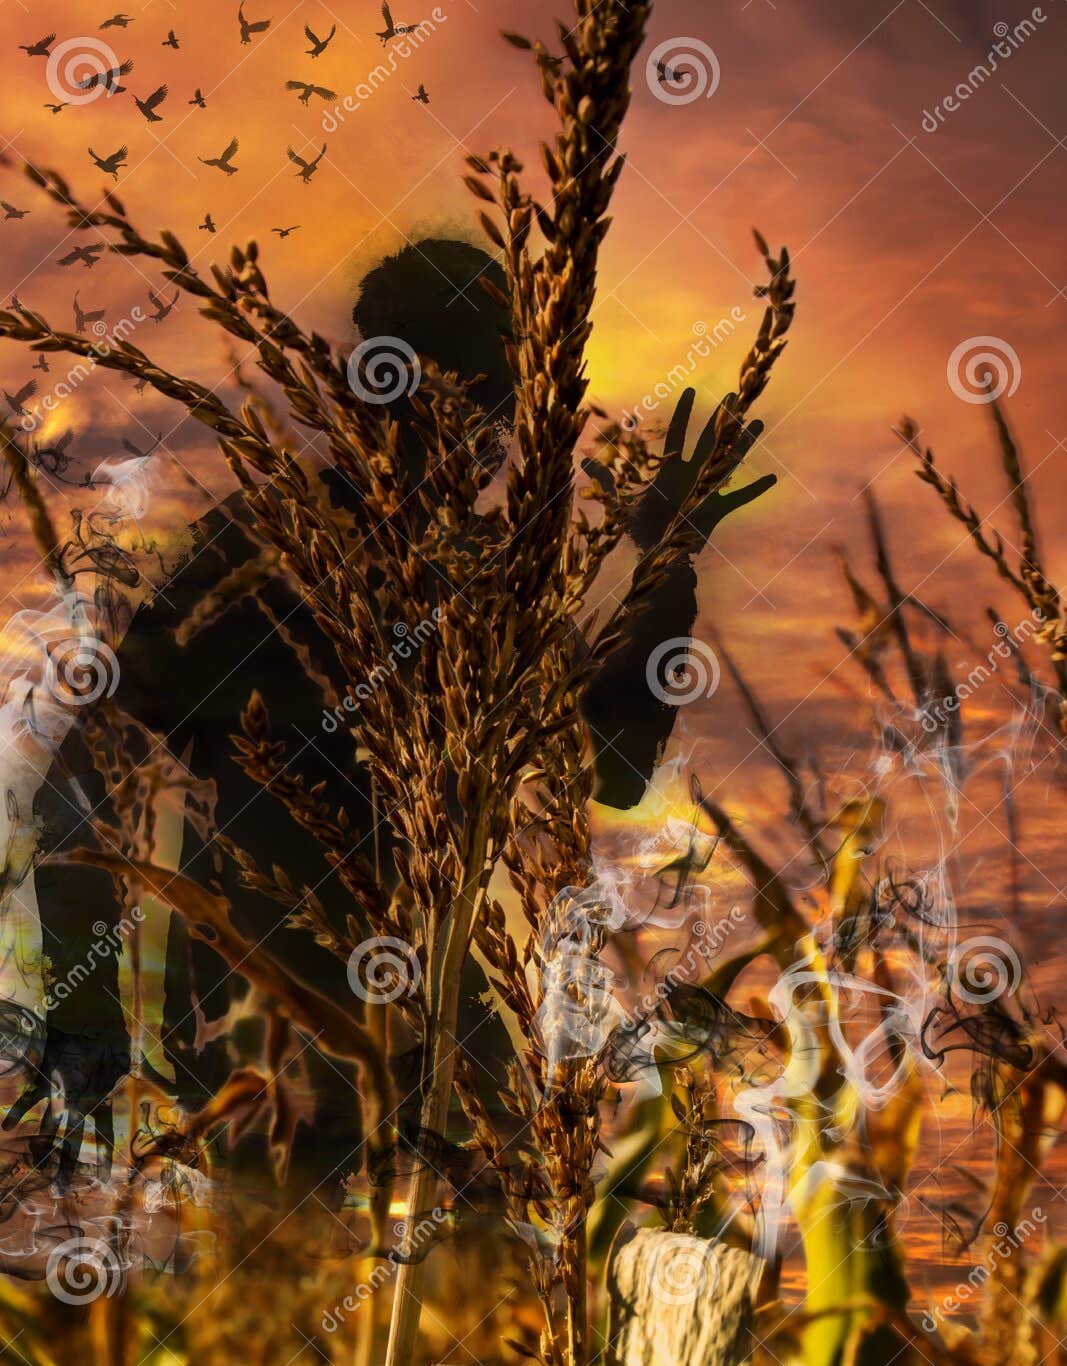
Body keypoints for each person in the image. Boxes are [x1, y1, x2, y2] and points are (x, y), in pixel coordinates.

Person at [4, 236, 773, 1215]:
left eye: (504, 395)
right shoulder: (273, 546)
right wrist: (88, 1024)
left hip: (441, 1051)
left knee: (469, 1282)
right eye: (481, 387)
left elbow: (610, 768)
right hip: (282, 1052)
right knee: (313, 1285)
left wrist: (665, 558)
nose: (496, 427)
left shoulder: (486, 580)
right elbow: (90, 764)